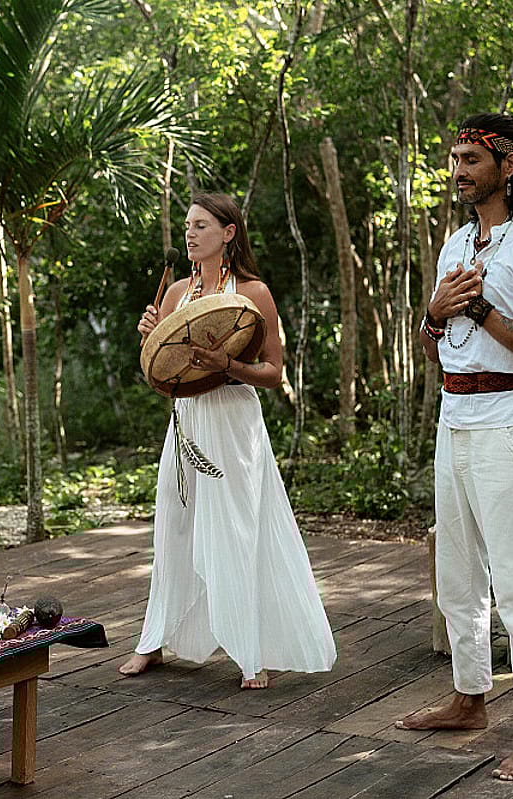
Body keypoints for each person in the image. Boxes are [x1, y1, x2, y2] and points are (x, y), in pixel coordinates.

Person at [397, 112, 513, 780]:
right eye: (454, 159)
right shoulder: (455, 244)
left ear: (510, 162)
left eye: (471, 158)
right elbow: (432, 345)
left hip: (510, 420)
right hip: (456, 415)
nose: (459, 170)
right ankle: (469, 697)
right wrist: (435, 312)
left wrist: (477, 309)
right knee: (459, 570)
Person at [120, 193, 336, 689]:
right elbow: (164, 372)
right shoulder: (175, 293)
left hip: (234, 421)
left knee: (238, 527)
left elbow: (273, 371)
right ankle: (152, 641)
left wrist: (230, 366)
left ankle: (250, 650)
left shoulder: (253, 292)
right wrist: (151, 339)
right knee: (174, 527)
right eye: (187, 226)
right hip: (187, 420)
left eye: (200, 225)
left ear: (229, 232)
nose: (190, 234)